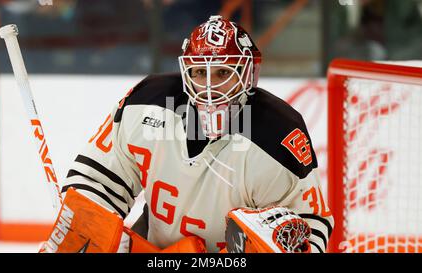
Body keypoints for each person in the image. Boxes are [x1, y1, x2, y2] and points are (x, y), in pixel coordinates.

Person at [41, 15, 333, 253]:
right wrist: (86, 225)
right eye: (198, 73)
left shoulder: (278, 136)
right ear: (185, 72)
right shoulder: (147, 103)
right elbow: (99, 180)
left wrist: (284, 243)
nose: (208, 86)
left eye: (222, 72)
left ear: (247, 74)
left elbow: (310, 226)